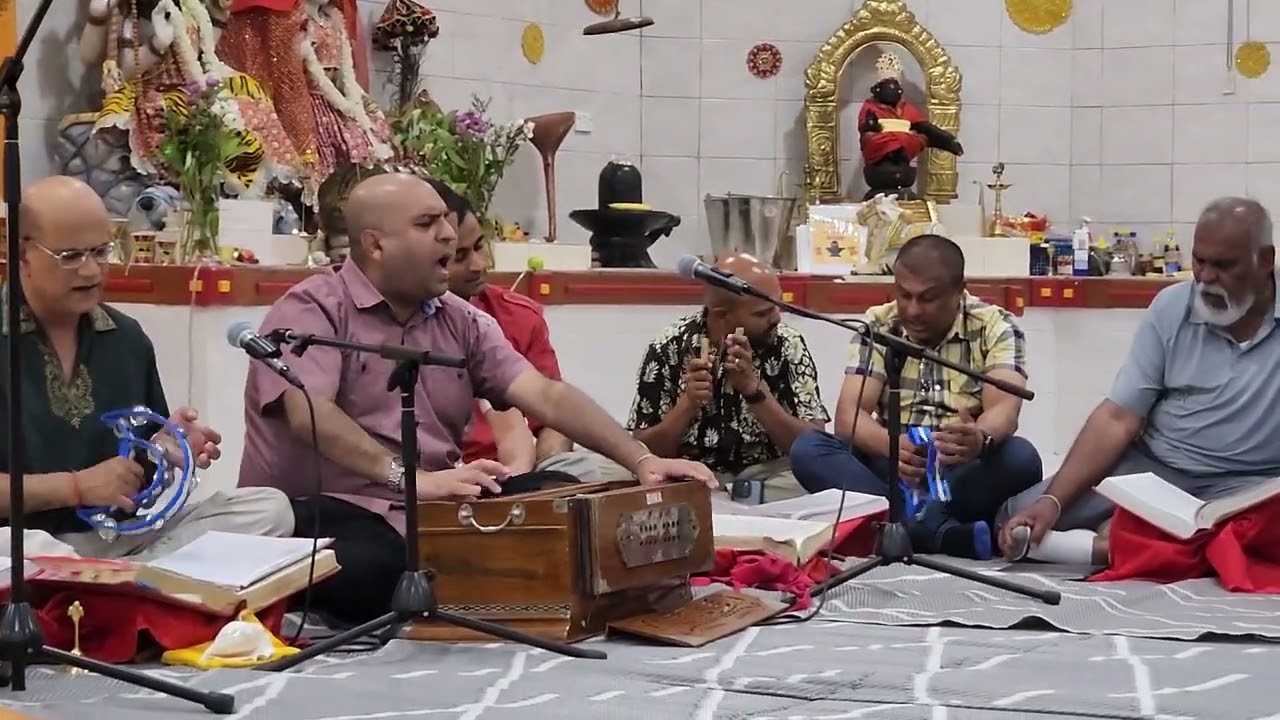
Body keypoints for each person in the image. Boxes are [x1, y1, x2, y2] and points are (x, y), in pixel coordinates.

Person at [238, 173, 715, 625]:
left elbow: (544, 394)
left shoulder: (460, 319)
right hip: (328, 510)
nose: (448, 235)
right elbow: (309, 413)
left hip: (434, 510)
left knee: (564, 505)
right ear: (375, 245)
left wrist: (642, 460)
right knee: (384, 568)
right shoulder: (312, 310)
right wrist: (413, 480)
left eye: (446, 221)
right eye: (427, 224)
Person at [0, 177, 293, 560]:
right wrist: (75, 487)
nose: (91, 272)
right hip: (20, 546)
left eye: (101, 252)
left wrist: (165, 449)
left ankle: (117, 578)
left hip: (120, 539)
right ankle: (126, 578)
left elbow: (139, 474)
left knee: (268, 509)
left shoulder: (126, 338)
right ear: (22, 254)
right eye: (70, 256)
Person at [999, 197, 1280, 564]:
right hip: (1155, 474)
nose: (1206, 277)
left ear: (1265, 260)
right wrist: (1052, 500)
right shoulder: (1172, 307)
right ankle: (1151, 542)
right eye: (1200, 261)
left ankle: (1106, 547)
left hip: (1253, 486)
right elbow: (1118, 418)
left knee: (1254, 532)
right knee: (1016, 519)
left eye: (1224, 265)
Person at [789, 234, 1042, 559]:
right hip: (893, 459)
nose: (912, 310)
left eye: (927, 298)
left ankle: (896, 526)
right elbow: (849, 416)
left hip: (958, 464)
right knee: (808, 448)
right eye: (904, 295)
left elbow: (1005, 408)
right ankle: (932, 529)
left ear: (958, 290)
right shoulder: (880, 323)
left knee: (1021, 458)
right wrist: (892, 447)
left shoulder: (995, 325)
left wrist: (979, 437)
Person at [428, 178, 611, 481]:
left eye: (479, 247)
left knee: (589, 471)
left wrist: (540, 471)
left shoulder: (516, 317)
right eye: (460, 257)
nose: (478, 264)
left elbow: (550, 417)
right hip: (433, 479)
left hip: (513, 472)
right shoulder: (390, 322)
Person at [627, 254, 829, 502]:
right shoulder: (669, 345)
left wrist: (755, 393)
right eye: (762, 313)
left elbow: (814, 450)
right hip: (693, 474)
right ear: (722, 316)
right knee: (623, 475)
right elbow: (645, 453)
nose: (777, 318)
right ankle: (729, 497)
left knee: (823, 479)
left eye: (777, 306)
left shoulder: (789, 344)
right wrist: (688, 404)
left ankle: (728, 498)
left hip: (772, 475)